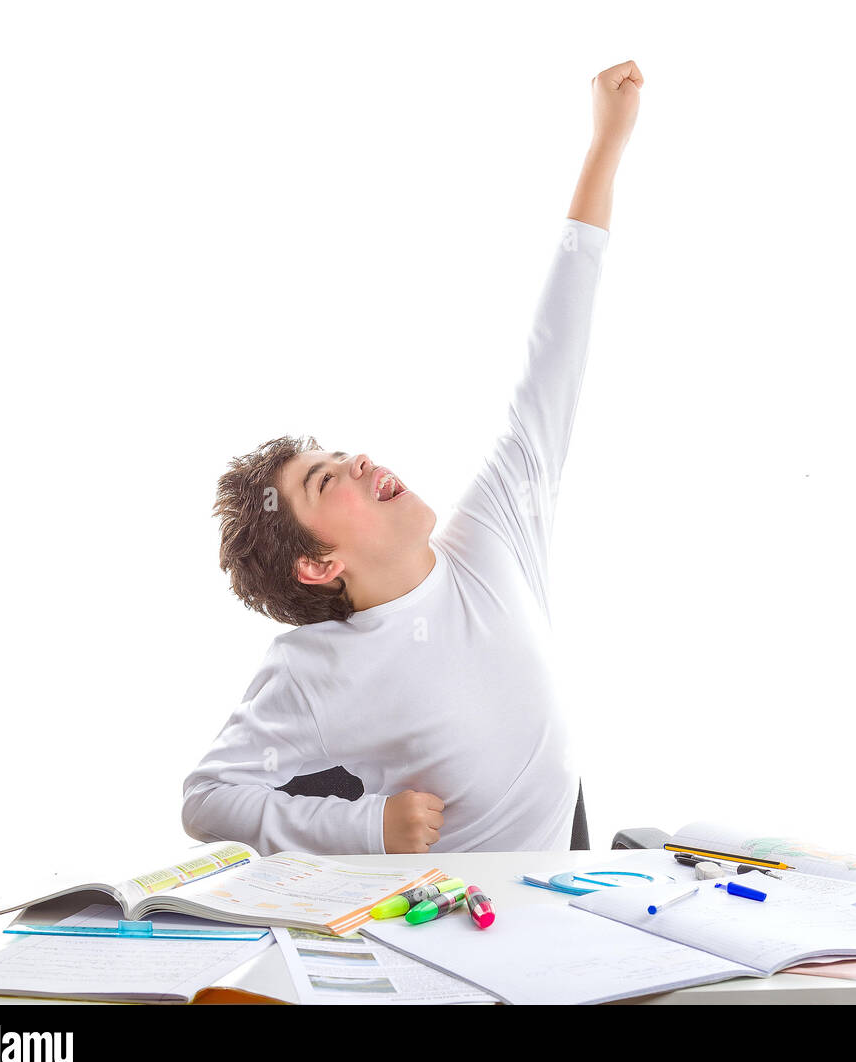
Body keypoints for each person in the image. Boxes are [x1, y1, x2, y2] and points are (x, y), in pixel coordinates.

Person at [181, 61, 643, 856]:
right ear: (318, 564)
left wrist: (606, 144)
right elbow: (207, 799)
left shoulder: (492, 536)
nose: (357, 459)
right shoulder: (315, 670)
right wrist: (363, 824)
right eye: (327, 478)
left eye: (339, 452)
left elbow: (553, 356)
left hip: (566, 901)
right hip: (455, 938)